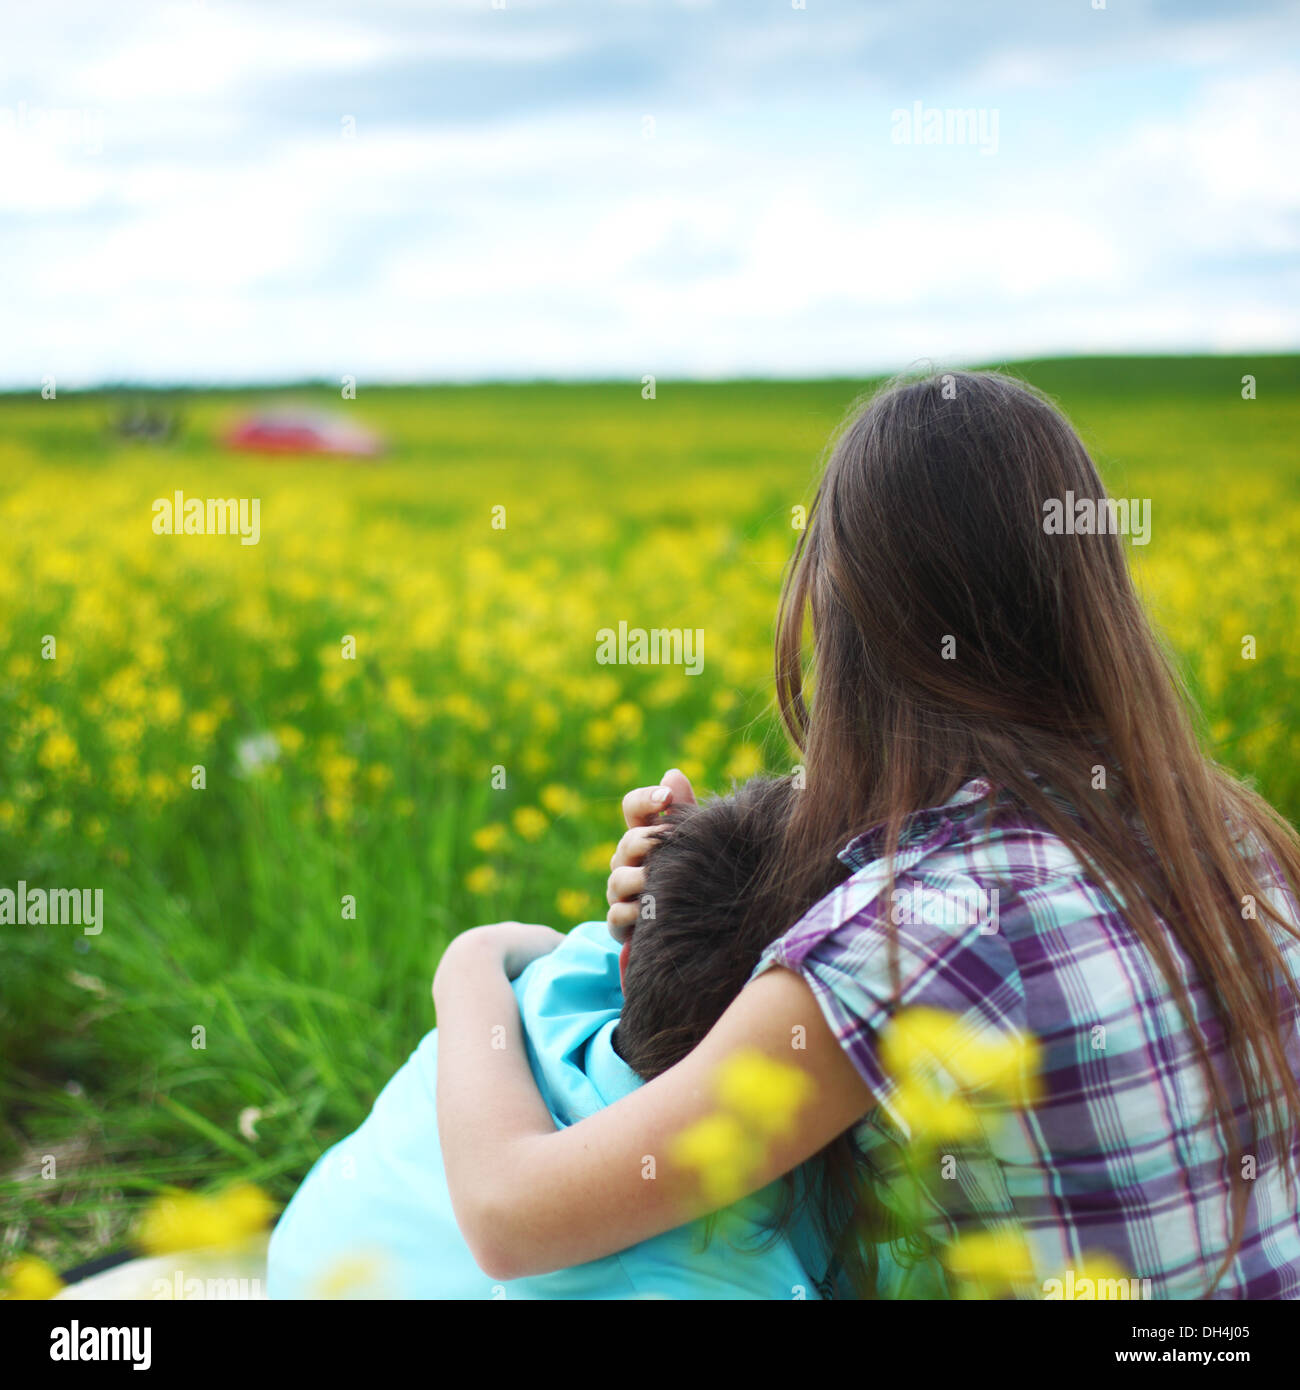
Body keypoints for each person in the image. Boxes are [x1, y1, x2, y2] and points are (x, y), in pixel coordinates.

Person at [433, 370, 1300, 1299]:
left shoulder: (905, 946)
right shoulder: (1232, 834)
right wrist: (701, 884)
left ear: (846, 614)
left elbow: (511, 1217)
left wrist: (476, 962)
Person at [268, 777, 843, 1298]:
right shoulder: (723, 1269)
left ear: (628, 968)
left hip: (303, 1253)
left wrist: (682, 893)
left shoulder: (565, 976)